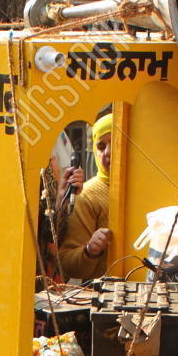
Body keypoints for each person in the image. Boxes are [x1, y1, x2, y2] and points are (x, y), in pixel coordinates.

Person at [59, 113, 114, 280]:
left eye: (115, 143)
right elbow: (67, 264)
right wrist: (90, 250)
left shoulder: (146, 190)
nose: (108, 152)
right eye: (101, 146)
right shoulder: (87, 196)